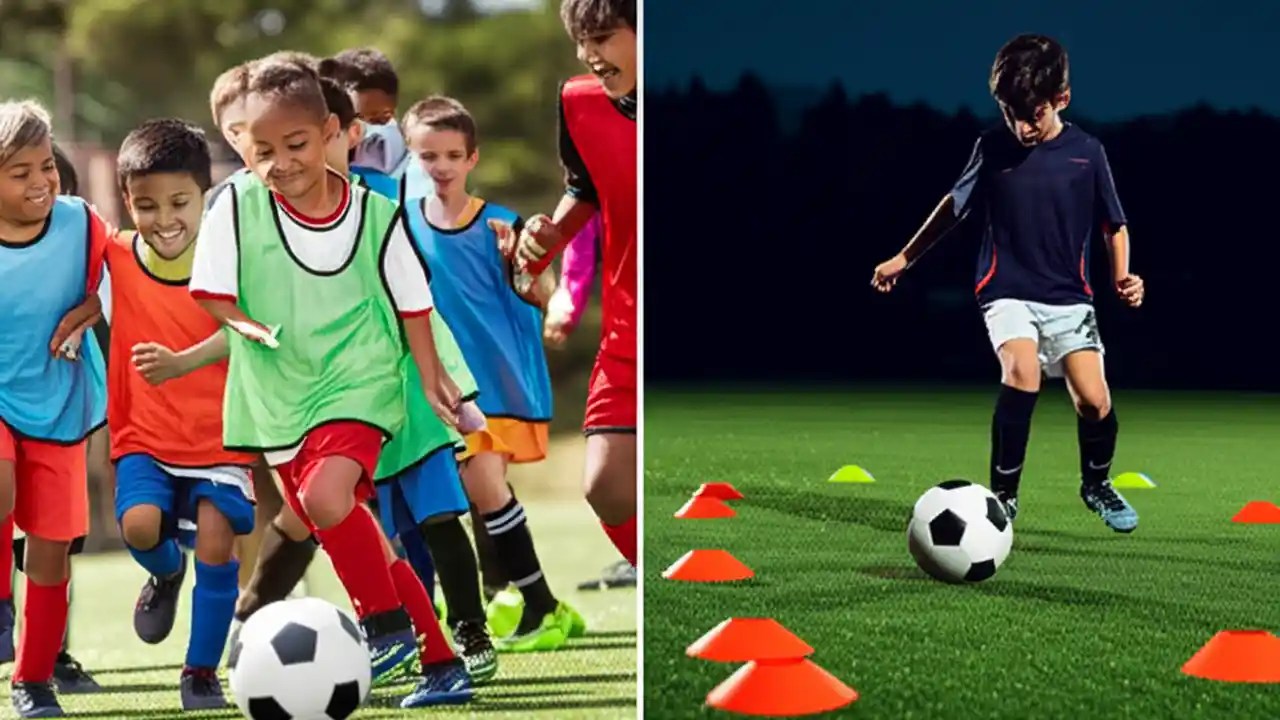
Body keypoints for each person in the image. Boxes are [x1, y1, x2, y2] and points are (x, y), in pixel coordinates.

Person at [188, 57, 471, 707]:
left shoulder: (376, 214)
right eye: (261, 150)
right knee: (348, 522)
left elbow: (412, 303)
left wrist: (430, 379)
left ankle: (382, 623)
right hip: (276, 393)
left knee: (325, 497)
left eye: (295, 145)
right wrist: (243, 326)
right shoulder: (234, 205)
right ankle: (438, 661)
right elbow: (213, 292)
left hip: (359, 380)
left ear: (330, 133)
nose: (279, 162)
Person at [870, 34, 1144, 533]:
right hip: (1006, 289)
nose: (1021, 126)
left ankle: (1096, 483)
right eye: (1008, 112)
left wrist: (1122, 275)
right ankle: (1002, 500)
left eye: (1032, 113)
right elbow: (954, 207)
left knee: (1094, 401)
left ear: (1061, 99)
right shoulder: (992, 148)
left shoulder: (1087, 152)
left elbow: (1114, 224)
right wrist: (904, 257)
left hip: (1070, 297)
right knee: (1022, 373)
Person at [401, 96, 585, 655]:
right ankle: (538, 607)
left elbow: (540, 288)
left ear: (472, 158)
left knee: (484, 488)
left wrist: (532, 273)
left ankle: (541, 608)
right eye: (428, 155)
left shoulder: (501, 224)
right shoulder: (399, 226)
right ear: (410, 159)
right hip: (441, 388)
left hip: (498, 381)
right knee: (473, 494)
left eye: (453, 154)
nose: (441, 166)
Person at [101, 119, 254, 710]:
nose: (165, 218)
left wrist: (183, 360)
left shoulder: (229, 258)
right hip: (145, 435)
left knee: (216, 544)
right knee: (140, 526)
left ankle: (200, 673)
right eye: (146, 205)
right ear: (127, 202)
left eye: (179, 203)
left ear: (203, 196)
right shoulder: (115, 254)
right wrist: (84, 316)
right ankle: (166, 573)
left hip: (221, 434)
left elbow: (253, 330)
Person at [494, 0, 638, 568]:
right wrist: (545, 239)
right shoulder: (578, 103)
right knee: (604, 485)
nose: (589, 55)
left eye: (603, 37)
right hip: (628, 328)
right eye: (582, 42)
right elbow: (586, 188)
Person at [0, 100, 109, 718]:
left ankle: (33, 678)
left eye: (46, 166)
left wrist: (93, 307)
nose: (41, 181)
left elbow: (122, 279)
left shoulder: (81, 224)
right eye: (21, 172)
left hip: (60, 403)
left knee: (50, 546)